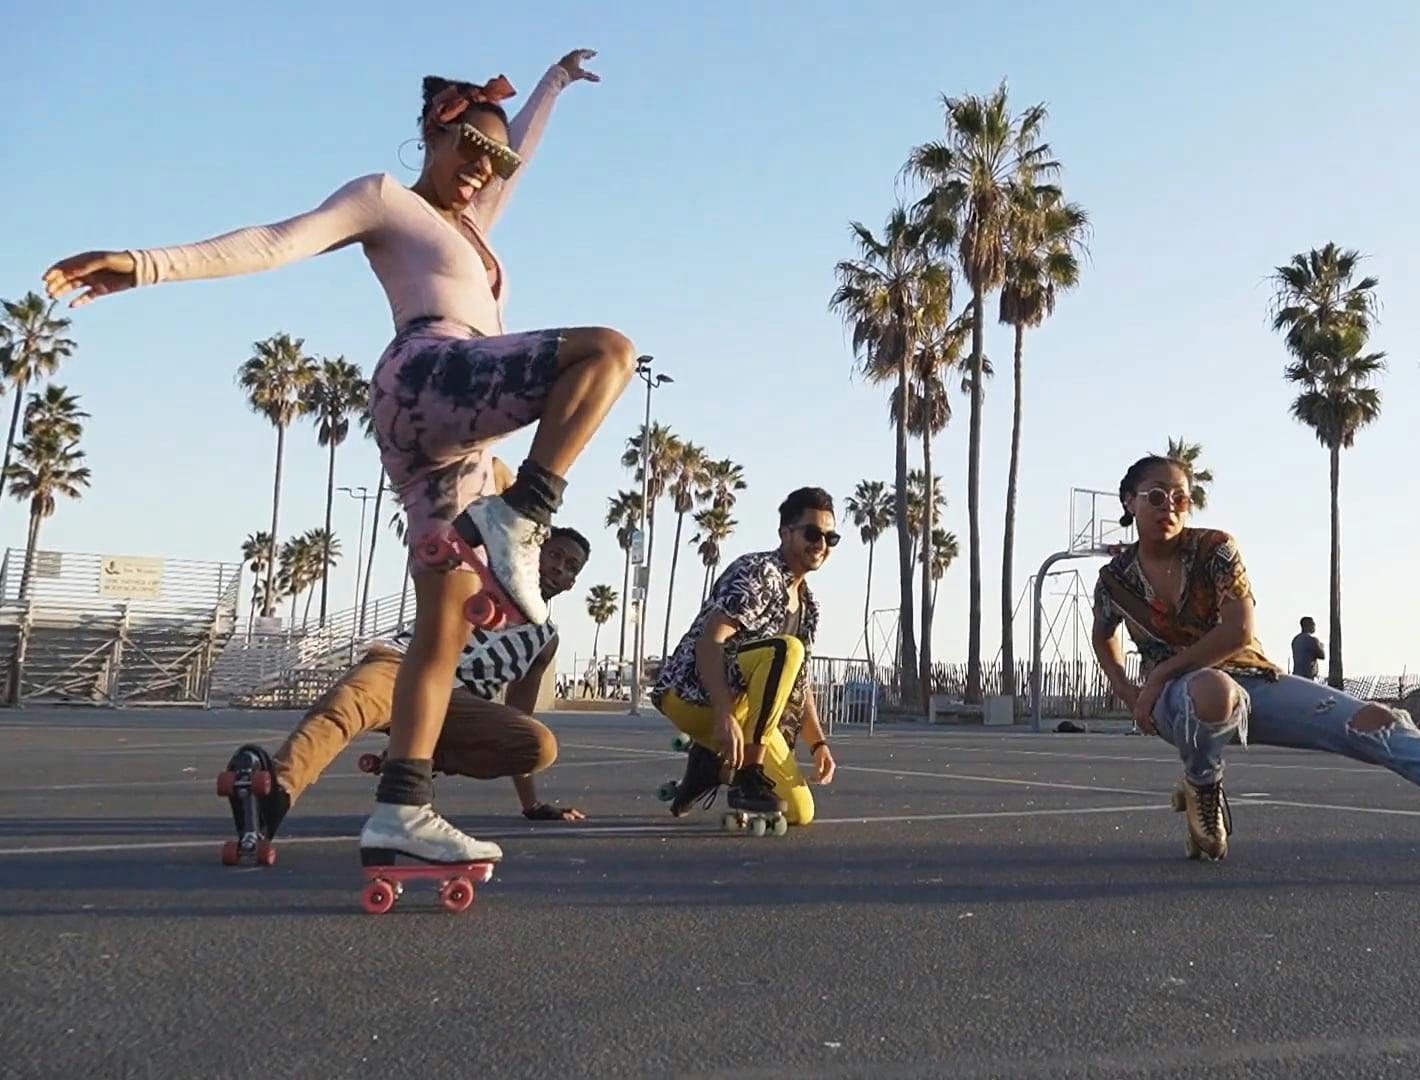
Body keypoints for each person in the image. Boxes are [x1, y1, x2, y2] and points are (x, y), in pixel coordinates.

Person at [44, 48, 634, 868]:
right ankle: (525, 514)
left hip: (450, 441)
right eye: (469, 149)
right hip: (431, 373)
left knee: (438, 633)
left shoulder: (475, 223)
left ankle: (403, 809)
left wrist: (555, 84)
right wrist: (146, 265)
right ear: (434, 132)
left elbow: (519, 155)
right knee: (607, 354)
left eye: (493, 161)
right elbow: (276, 242)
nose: (481, 171)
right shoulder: (384, 200)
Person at [1089, 454, 1420, 874]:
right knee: (1211, 691)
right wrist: (1136, 691)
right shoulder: (1115, 579)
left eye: (1181, 497)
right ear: (1130, 503)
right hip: (1180, 701)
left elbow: (1238, 631)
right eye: (1156, 496)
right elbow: (1103, 638)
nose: (1170, 507)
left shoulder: (1215, 549)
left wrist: (1153, 673)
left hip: (1254, 680)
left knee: (1377, 722)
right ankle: (1203, 782)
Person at [224, 522, 595, 860]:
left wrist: (532, 806)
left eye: (571, 567)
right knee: (347, 706)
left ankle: (416, 757)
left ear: (571, 583)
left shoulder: (544, 639)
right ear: (537, 554)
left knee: (539, 745)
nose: (560, 567)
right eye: (555, 555)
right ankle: (276, 792)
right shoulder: (486, 573)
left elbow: (519, 714)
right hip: (408, 664)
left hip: (455, 704)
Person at [650, 488, 840, 826]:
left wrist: (818, 743)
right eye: (812, 533)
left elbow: (799, 681)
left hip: (745, 715)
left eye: (830, 537)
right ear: (785, 533)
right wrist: (724, 713)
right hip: (694, 698)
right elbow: (710, 641)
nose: (821, 544)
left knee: (799, 811)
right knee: (787, 649)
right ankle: (748, 771)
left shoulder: (809, 607)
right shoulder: (758, 572)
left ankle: (712, 768)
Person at [1290, 616, 1325, 681]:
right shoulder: (1312, 640)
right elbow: (1322, 656)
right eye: (1313, 624)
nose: (1314, 626)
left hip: (1296, 676)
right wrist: (1321, 646)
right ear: (1308, 625)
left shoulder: (1295, 639)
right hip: (1308, 677)